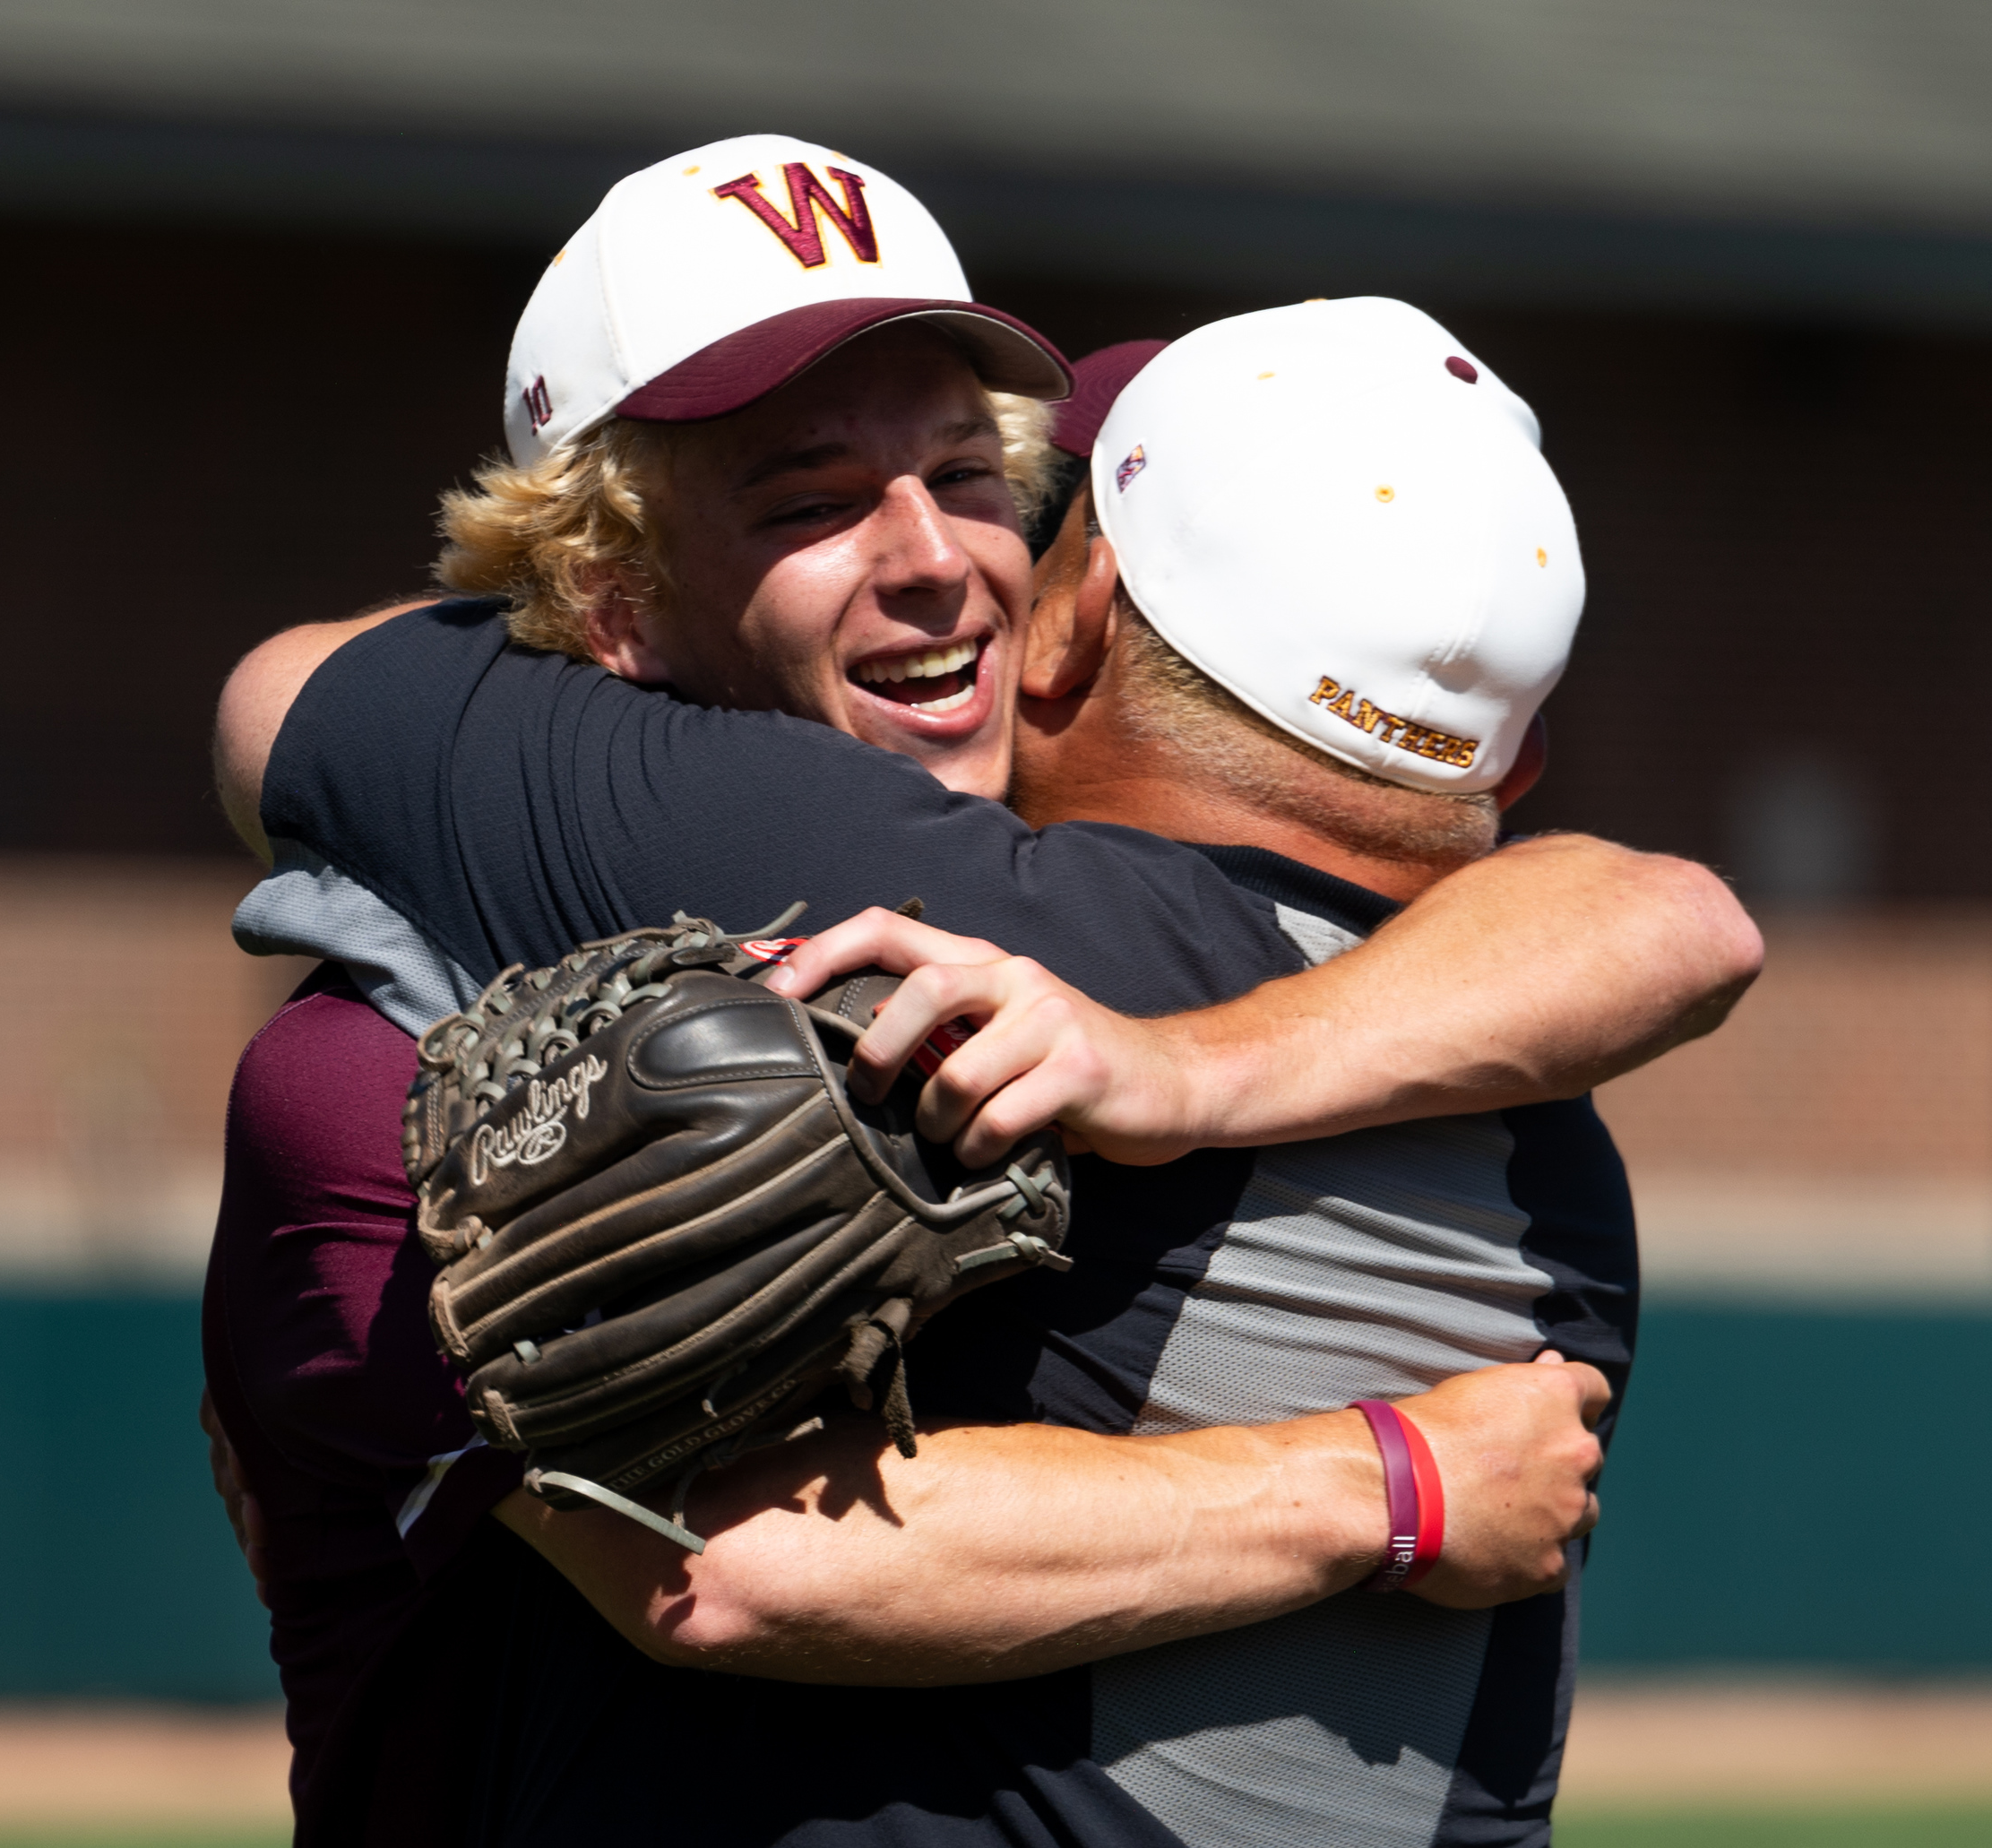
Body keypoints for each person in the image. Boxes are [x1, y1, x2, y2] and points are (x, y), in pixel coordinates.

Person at [202, 134, 1761, 1846]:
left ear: (1075, 606)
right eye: (805, 498)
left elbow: (289, 696)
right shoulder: (399, 1056)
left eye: (971, 476)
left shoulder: (1045, 941)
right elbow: (717, 1567)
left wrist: (1180, 1073)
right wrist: (1391, 1480)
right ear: (607, 597)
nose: (933, 554)